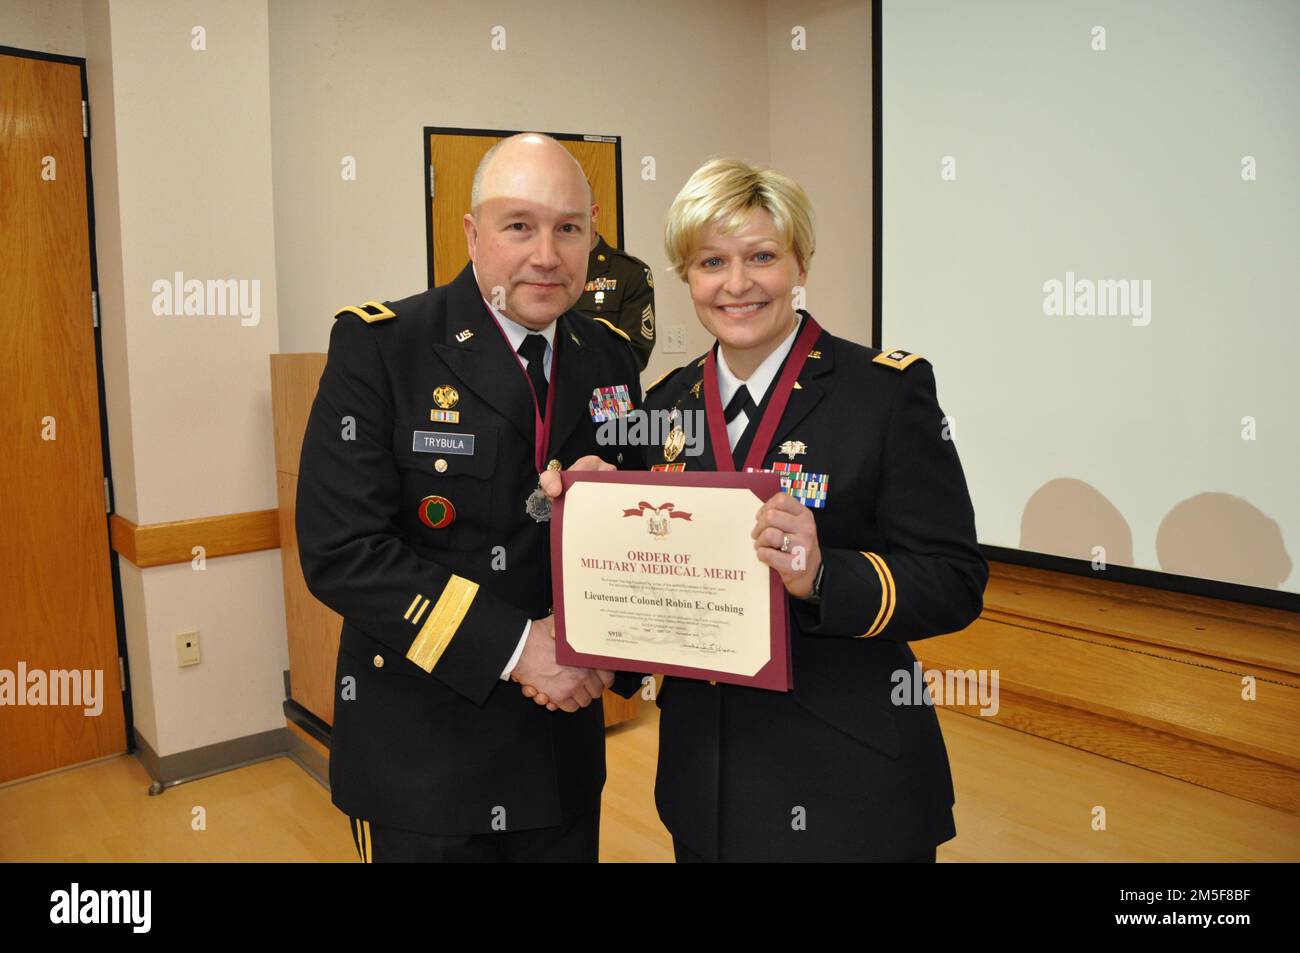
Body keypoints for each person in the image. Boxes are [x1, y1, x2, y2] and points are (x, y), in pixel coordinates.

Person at [528, 157, 987, 862]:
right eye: (712, 261)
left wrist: (824, 576)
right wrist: (597, 516)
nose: (737, 284)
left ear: (799, 261)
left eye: (762, 256)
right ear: (688, 274)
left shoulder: (884, 394)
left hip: (851, 788)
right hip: (705, 783)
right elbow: (657, 585)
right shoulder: (665, 405)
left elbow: (954, 579)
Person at [295, 133, 641, 862]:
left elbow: (629, 532)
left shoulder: (608, 357)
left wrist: (611, 653)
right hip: (428, 764)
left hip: (562, 751)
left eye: (569, 227)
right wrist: (519, 649)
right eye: (519, 225)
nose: (546, 253)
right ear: (471, 233)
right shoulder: (383, 348)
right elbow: (344, 553)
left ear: (592, 233)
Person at [574, 229, 657, 370]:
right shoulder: (548, 268)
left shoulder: (629, 271)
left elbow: (635, 353)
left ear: (593, 213)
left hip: (601, 387)